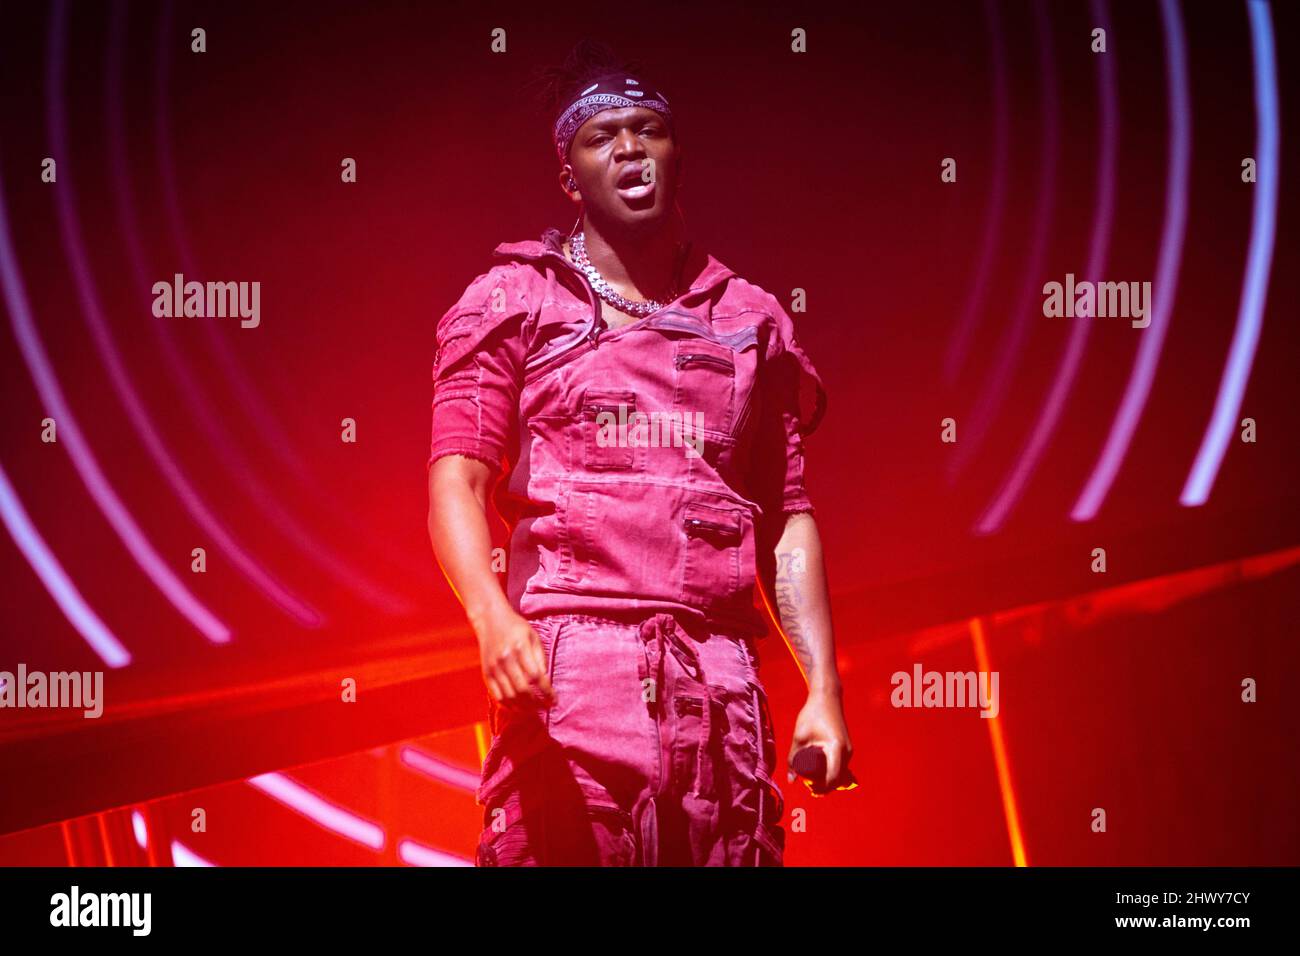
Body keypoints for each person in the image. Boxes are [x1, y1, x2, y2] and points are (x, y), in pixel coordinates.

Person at [426, 39, 852, 866]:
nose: (629, 147)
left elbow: (786, 521)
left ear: (676, 152)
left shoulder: (748, 319)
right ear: (569, 174)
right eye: (601, 135)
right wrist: (490, 616)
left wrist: (824, 692)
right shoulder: (514, 299)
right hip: (570, 682)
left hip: (719, 692)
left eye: (648, 128)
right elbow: (457, 478)